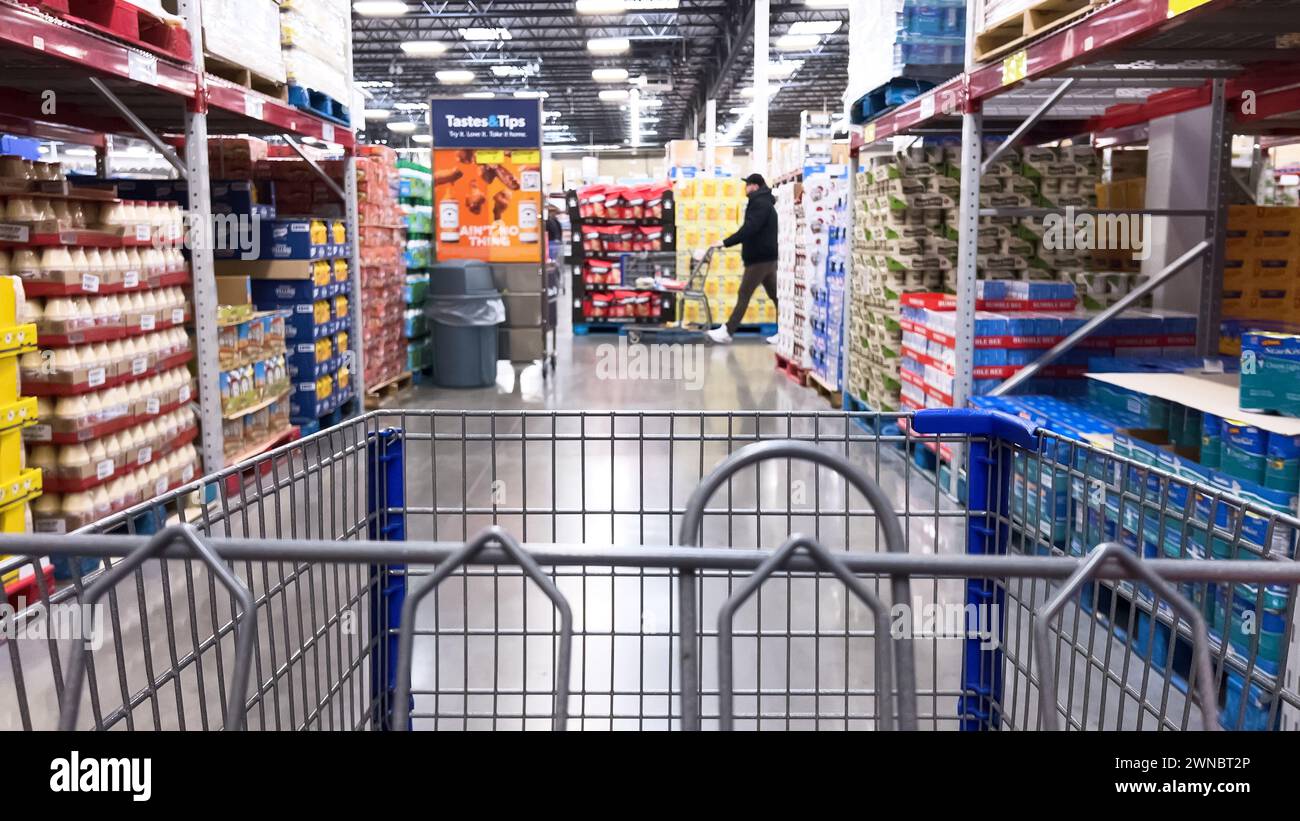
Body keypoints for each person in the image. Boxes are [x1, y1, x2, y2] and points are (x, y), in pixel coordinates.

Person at [708, 173, 778, 345]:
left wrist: (725, 242)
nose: (745, 188)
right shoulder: (764, 202)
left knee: (744, 293)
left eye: (747, 185)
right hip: (767, 257)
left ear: (754, 186)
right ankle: (785, 331)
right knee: (776, 296)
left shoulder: (759, 203)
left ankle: (727, 331)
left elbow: (749, 228)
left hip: (759, 258)